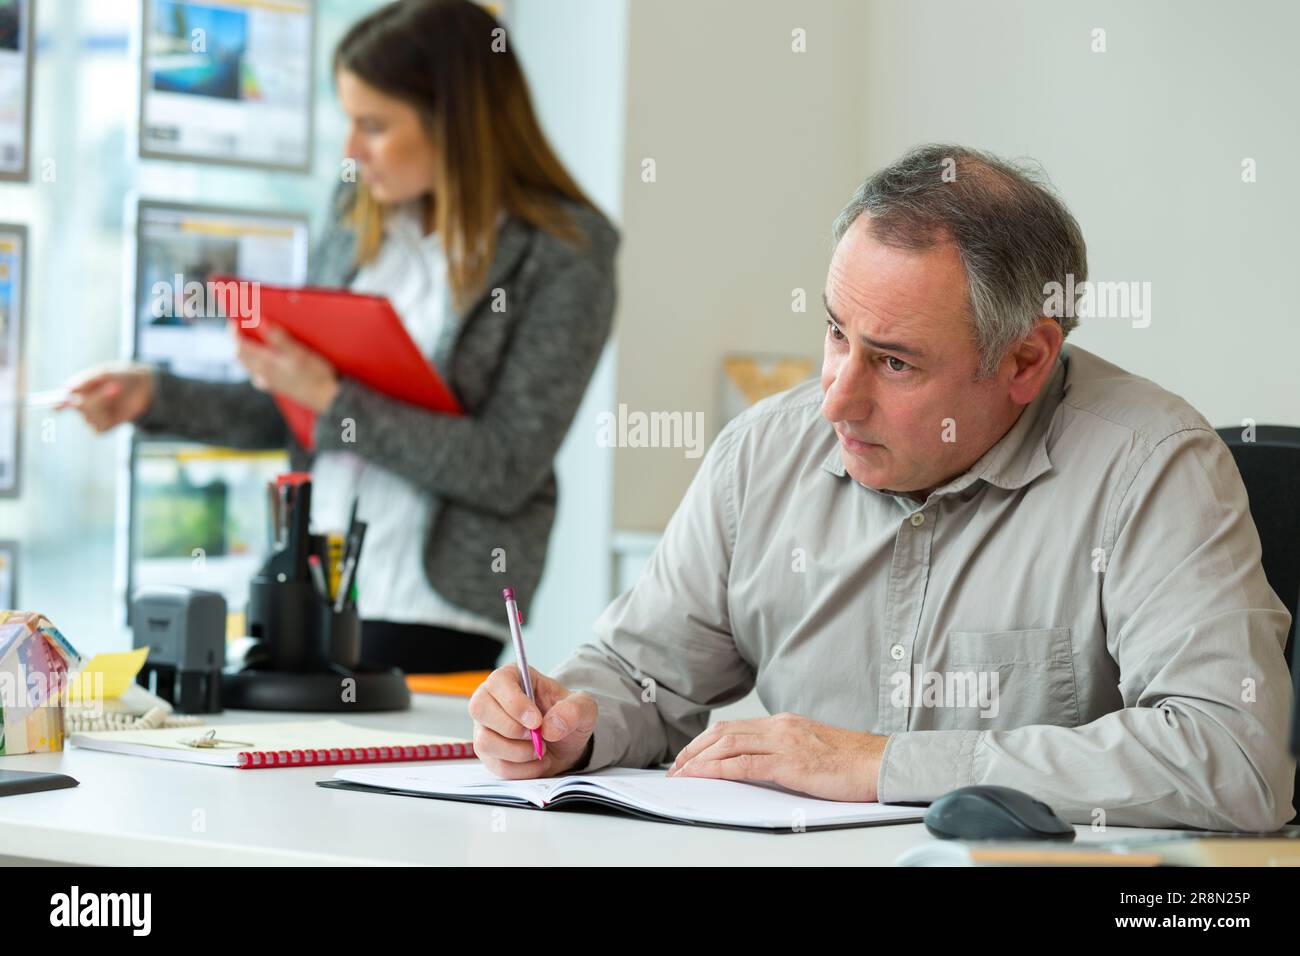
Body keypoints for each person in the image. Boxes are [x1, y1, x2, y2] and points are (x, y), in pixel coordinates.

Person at [468, 144, 1295, 832]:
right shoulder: (764, 452)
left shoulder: (1150, 465)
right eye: (835, 332)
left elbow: (1233, 756)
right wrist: (569, 722)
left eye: (894, 361)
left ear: (1025, 361)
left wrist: (882, 765)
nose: (835, 396)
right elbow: (637, 674)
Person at [65, 0, 618, 673]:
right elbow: (294, 408)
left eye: (374, 125)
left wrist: (334, 401)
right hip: (308, 582)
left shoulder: (564, 255)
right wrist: (153, 397)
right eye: (349, 122)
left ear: (458, 124)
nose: (351, 151)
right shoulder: (357, 216)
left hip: (430, 609)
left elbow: (505, 467)